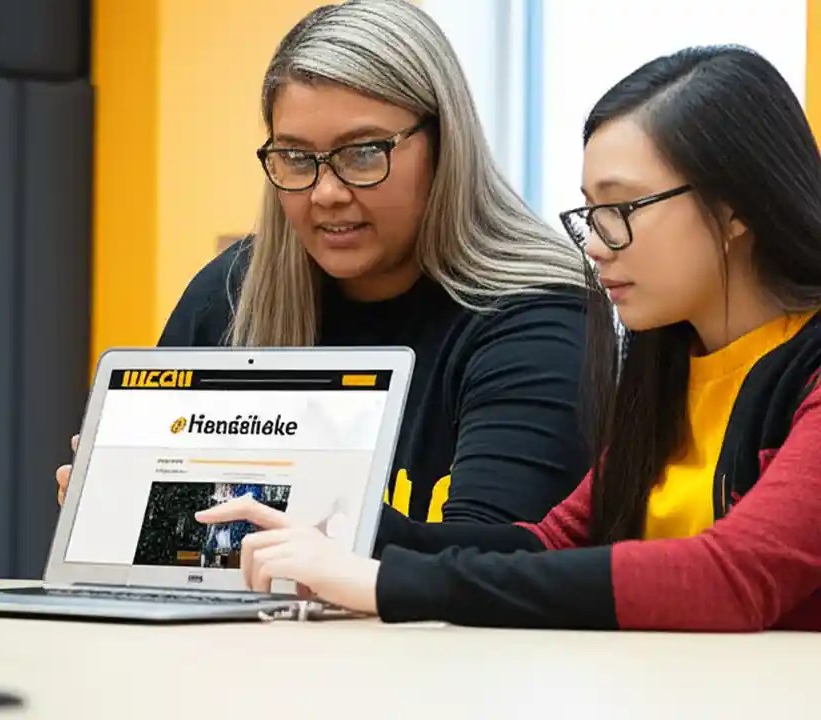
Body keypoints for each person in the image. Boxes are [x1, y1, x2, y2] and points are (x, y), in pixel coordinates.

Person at [200, 45, 821, 632]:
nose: (596, 244)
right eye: (590, 213)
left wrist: (387, 583)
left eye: (622, 209)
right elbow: (546, 545)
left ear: (736, 209)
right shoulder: (669, 364)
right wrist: (336, 534)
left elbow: (730, 576)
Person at [57, 0, 593, 532]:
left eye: (363, 153)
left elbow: (486, 561)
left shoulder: (538, 316)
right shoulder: (231, 294)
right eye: (295, 158)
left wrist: (268, 510)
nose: (326, 193)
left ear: (444, 145)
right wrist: (123, 515)